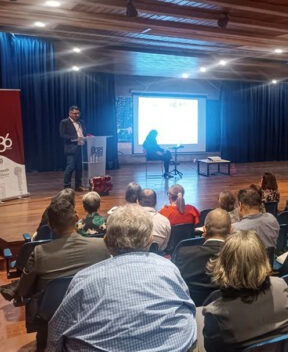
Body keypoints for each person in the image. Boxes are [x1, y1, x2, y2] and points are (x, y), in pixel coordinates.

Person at [48, 205, 197, 351]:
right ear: (151, 240)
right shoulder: (169, 268)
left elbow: (57, 328)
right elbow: (189, 308)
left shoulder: (84, 279)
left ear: (106, 241)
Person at [16, 198, 110, 351]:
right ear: (77, 219)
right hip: (89, 314)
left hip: (51, 319)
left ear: (50, 226)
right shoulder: (101, 247)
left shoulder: (40, 253)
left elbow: (23, 290)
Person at [201, 231, 288, 351]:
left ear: (224, 263)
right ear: (263, 259)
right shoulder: (281, 286)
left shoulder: (215, 313)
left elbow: (211, 349)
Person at [175, 208, 231, 306]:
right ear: (231, 229)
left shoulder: (184, 254)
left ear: (204, 229)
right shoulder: (239, 256)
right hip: (229, 311)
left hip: (193, 310)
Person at [59, 105, 86, 191]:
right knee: (70, 167)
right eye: (74, 113)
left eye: (78, 113)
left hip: (80, 147)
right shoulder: (64, 122)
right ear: (70, 113)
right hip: (71, 148)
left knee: (79, 168)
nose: (76, 115)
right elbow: (62, 135)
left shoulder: (81, 122)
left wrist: (87, 137)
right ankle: (67, 187)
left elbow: (83, 133)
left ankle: (78, 186)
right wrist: (74, 138)